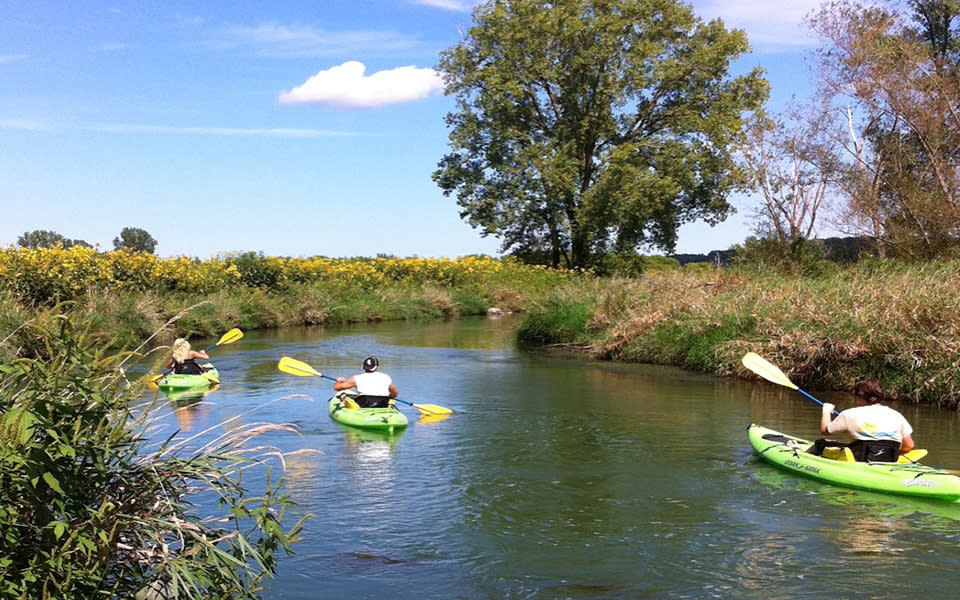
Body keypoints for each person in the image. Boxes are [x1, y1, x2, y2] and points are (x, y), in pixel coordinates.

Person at [814, 378, 915, 462]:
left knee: (821, 443)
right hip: (890, 458)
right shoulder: (897, 416)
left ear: (859, 397)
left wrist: (826, 411)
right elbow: (909, 445)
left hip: (860, 458)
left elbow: (825, 430)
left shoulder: (849, 413)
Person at [333, 356, 398, 408]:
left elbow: (337, 388)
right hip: (383, 405)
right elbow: (395, 394)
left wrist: (339, 381)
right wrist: (389, 396)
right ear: (376, 367)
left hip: (363, 405)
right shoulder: (386, 377)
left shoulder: (356, 378)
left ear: (363, 367)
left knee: (344, 396)